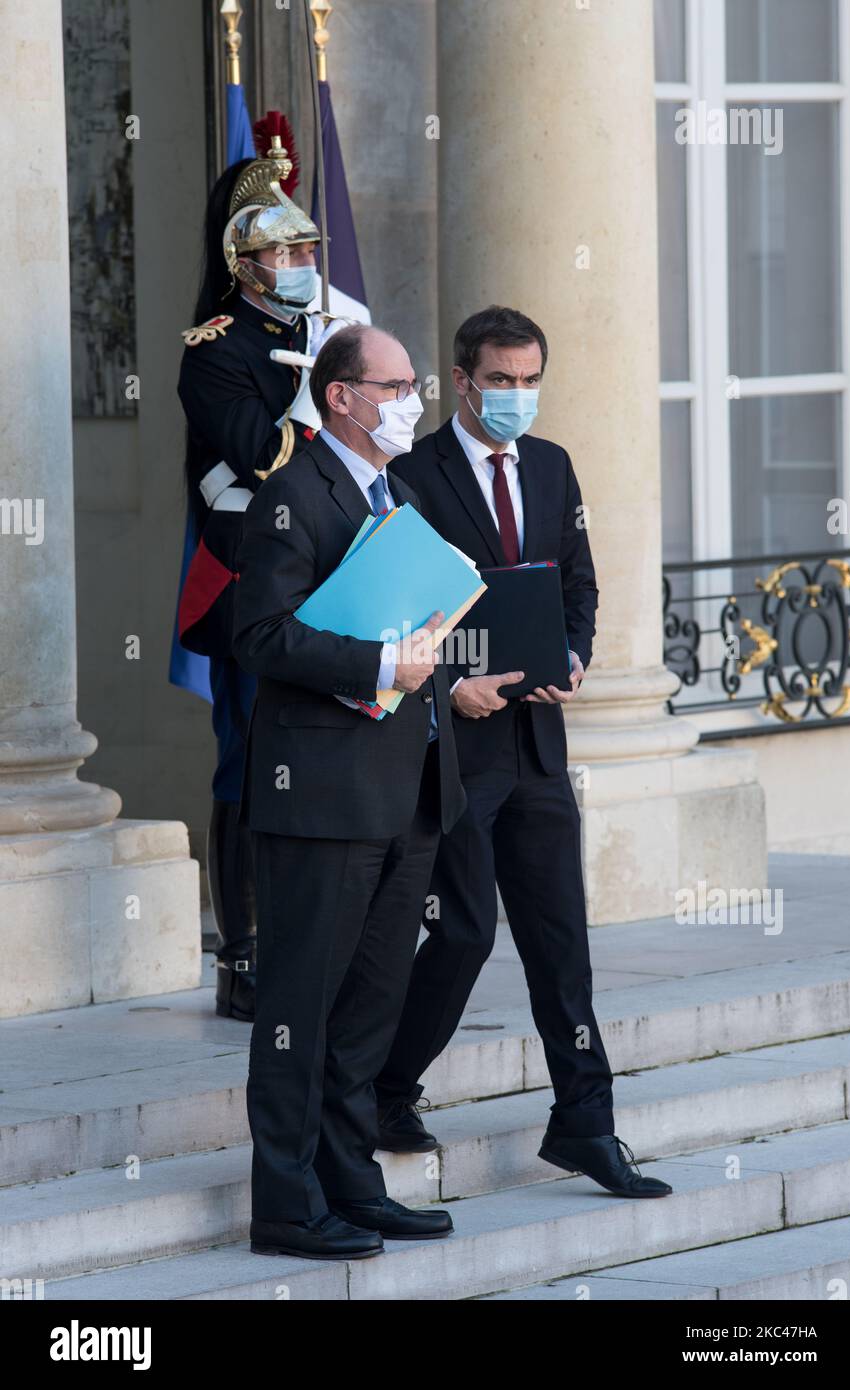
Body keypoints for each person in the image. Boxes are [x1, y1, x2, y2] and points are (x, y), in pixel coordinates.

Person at [375, 306, 672, 1200]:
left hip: (539, 744)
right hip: (456, 749)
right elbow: (394, 610)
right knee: (462, 932)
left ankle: (585, 1123)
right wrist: (447, 684)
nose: (516, 396)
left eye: (529, 380)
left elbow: (576, 580)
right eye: (500, 380)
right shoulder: (410, 475)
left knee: (561, 943)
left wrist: (573, 653)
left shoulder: (551, 466)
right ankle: (387, 1089)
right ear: (460, 381)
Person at [232, 323, 466, 1260]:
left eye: (412, 383)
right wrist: (378, 662)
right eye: (396, 383)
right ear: (342, 396)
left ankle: (350, 1180)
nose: (411, 399)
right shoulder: (292, 495)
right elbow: (259, 638)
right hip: (321, 794)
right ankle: (284, 1203)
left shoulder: (396, 493)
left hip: (404, 790)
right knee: (300, 1003)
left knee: (368, 1005)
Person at [175, 112, 353, 1022]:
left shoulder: (326, 336)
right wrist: (316, 386)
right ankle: (240, 956)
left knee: (322, 753)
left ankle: (314, 936)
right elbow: (264, 456)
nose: (299, 266)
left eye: (307, 250)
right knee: (248, 762)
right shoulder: (215, 353)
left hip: (327, 571)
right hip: (250, 577)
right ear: (244, 267)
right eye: (281, 256)